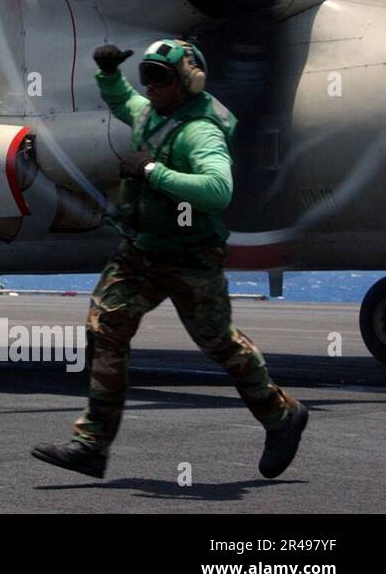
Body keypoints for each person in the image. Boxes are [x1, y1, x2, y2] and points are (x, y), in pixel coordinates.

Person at [30, 39, 307, 479]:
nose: (150, 85)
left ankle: (282, 415)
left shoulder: (201, 131)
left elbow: (218, 190)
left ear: (187, 81)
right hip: (142, 251)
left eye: (160, 77)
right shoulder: (152, 113)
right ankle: (91, 444)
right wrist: (107, 74)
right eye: (147, 75)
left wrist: (151, 171)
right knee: (106, 328)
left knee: (220, 344)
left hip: (190, 257)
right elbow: (124, 102)